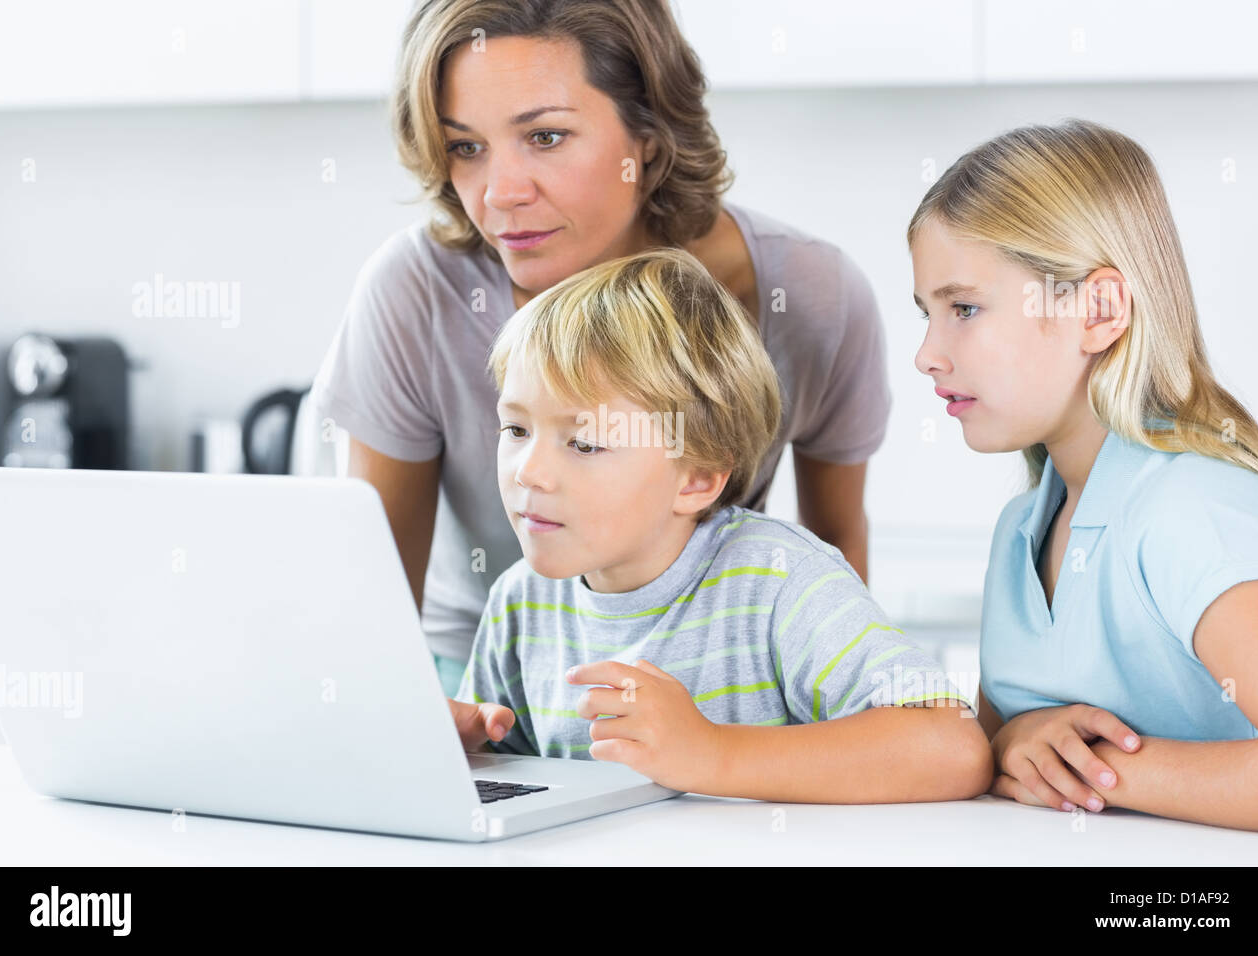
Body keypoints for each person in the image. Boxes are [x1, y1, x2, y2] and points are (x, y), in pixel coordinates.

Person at [310, 0, 891, 697]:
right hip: (475, 675)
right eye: (466, 146)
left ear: (648, 132)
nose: (500, 194)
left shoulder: (807, 296)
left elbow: (837, 563)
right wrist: (415, 721)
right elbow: (375, 602)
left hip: (714, 678)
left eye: (547, 137)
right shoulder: (416, 292)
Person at [445, 247, 990, 801]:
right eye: (515, 430)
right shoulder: (520, 601)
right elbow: (520, 780)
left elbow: (952, 745)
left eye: (583, 442)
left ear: (698, 479)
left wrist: (711, 751)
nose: (529, 472)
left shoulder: (779, 580)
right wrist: (465, 749)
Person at [909, 119, 1258, 832]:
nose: (927, 353)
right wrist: (1009, 744)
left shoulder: (1189, 508)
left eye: (963, 308)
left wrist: (1104, 771)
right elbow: (999, 757)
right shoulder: (1020, 529)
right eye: (926, 313)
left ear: (1099, 310)